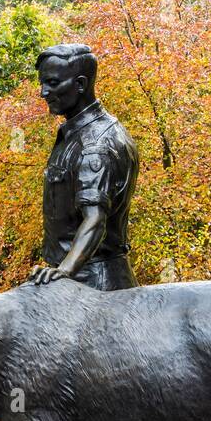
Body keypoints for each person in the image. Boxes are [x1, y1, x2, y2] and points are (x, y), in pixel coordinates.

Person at [28, 43, 140, 290]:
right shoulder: (76, 134)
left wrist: (64, 271)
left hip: (93, 286)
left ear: (79, 84)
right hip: (78, 280)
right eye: (42, 83)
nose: (43, 92)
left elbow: (95, 219)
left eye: (53, 83)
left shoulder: (95, 145)